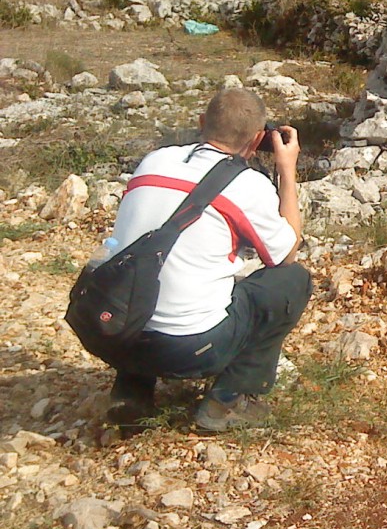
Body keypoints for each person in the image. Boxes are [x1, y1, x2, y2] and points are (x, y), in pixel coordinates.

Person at [98, 87, 311, 433]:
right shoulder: (247, 185)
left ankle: (131, 391)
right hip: (189, 349)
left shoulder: (154, 161)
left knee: (151, 273)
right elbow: (286, 253)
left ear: (201, 122)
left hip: (112, 331)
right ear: (257, 139)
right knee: (293, 280)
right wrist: (287, 170)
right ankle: (227, 401)